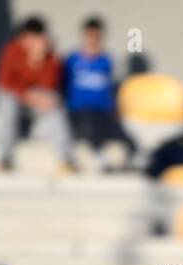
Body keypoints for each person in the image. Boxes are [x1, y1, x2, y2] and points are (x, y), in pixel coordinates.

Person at [0, 17, 73, 170]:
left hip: (35, 98)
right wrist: (26, 94)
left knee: (53, 103)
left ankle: (66, 158)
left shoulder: (50, 56)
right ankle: (4, 158)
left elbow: (49, 85)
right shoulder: (11, 50)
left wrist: (38, 61)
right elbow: (4, 82)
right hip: (14, 95)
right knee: (7, 106)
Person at [63, 15, 133, 171]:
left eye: (97, 36)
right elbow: (63, 85)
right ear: (84, 36)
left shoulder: (106, 60)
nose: (93, 40)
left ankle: (132, 159)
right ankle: (99, 158)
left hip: (103, 110)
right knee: (91, 125)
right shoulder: (72, 60)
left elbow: (109, 87)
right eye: (90, 36)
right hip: (80, 110)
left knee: (123, 135)